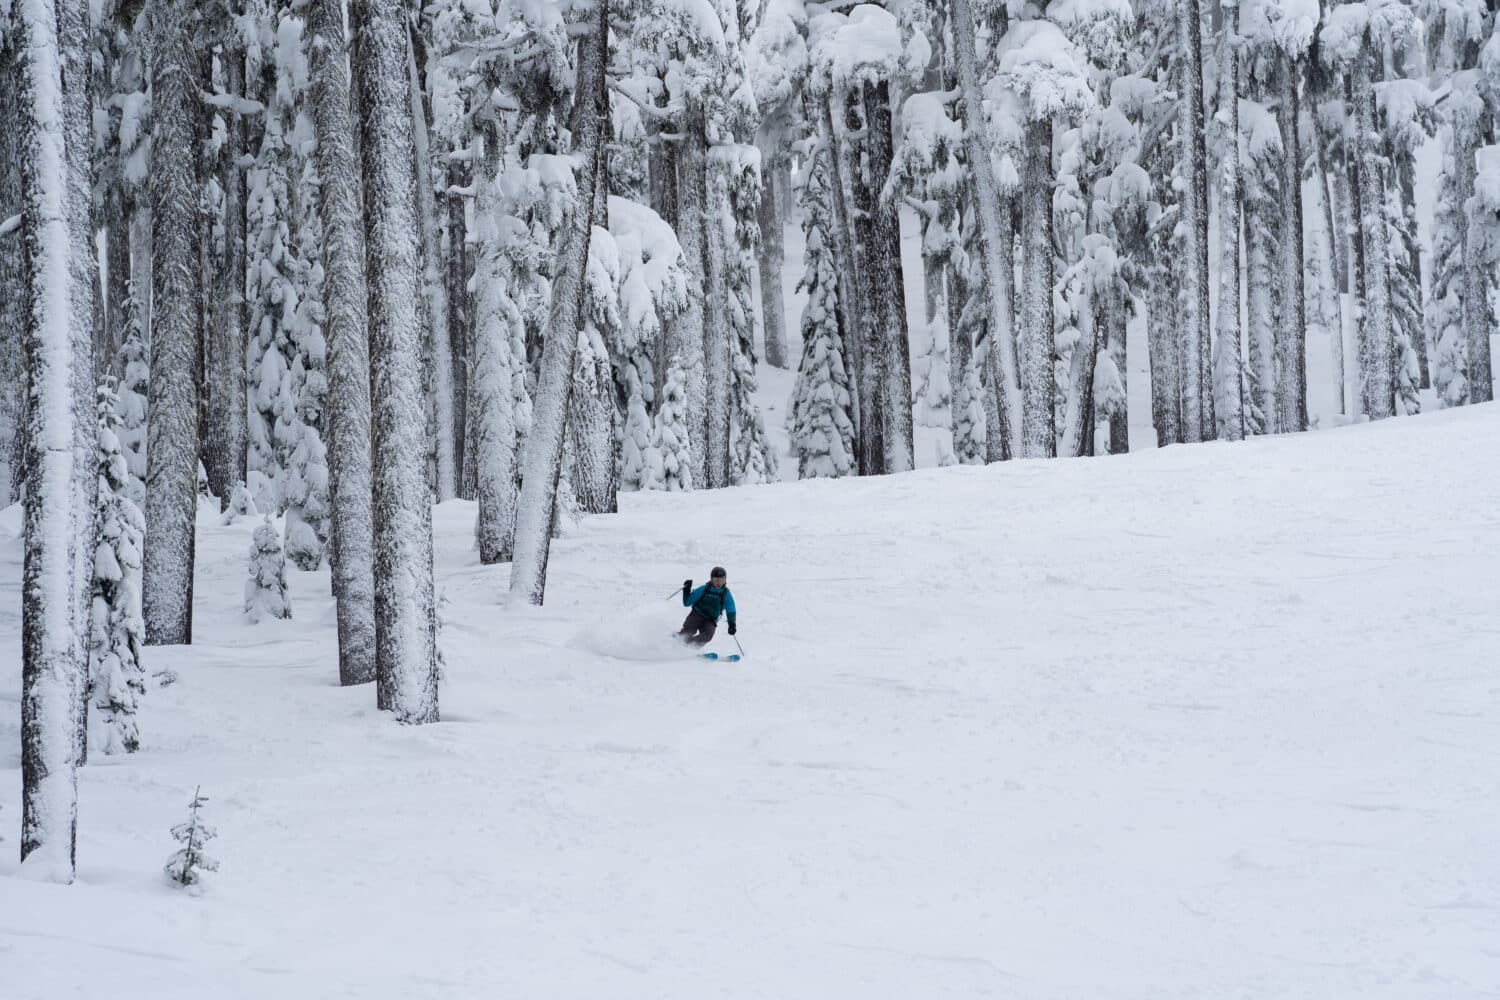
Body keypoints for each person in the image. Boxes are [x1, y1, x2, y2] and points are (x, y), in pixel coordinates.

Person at [678, 567, 736, 647]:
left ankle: (691, 647)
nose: (718, 583)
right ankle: (675, 641)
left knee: (708, 635)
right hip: (697, 614)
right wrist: (686, 590)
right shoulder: (704, 589)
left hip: (711, 619)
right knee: (688, 631)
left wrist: (732, 624)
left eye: (721, 580)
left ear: (725, 580)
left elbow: (731, 609)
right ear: (711, 579)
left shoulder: (726, 594)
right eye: (716, 580)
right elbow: (687, 603)